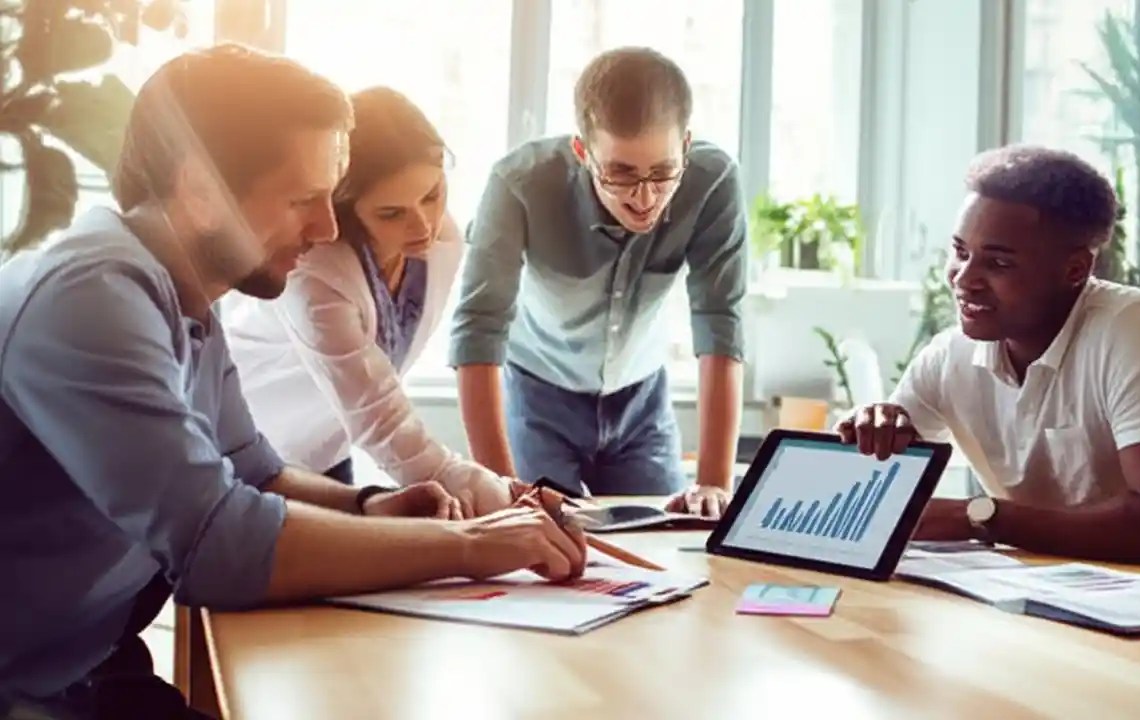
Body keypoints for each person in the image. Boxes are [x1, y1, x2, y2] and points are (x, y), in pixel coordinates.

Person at [0, 44, 583, 720]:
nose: (329, 227)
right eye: (303, 199)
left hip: (84, 669)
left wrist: (364, 506)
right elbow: (217, 541)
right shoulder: (92, 297)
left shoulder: (180, 297)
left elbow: (255, 472)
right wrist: (471, 547)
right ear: (198, 190)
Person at [836, 144, 1140, 575]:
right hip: (1044, 604)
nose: (965, 278)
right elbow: (875, 491)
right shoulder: (949, 355)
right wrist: (874, 431)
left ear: (1075, 271)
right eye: (960, 251)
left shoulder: (1138, 327)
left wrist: (975, 517)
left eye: (998, 262)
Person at [450, 47, 748, 517]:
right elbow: (477, 329)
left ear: (686, 146)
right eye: (621, 173)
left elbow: (719, 321)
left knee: (671, 537)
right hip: (538, 393)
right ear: (582, 152)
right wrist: (502, 490)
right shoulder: (518, 184)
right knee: (537, 543)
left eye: (664, 171)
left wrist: (713, 482)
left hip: (641, 399)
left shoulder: (714, 182)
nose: (645, 197)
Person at [223, 86, 511, 516]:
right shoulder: (314, 275)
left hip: (329, 445)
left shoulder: (436, 240)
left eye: (432, 195)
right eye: (391, 213)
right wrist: (495, 495)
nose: (424, 224)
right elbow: (378, 415)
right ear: (345, 207)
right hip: (256, 458)